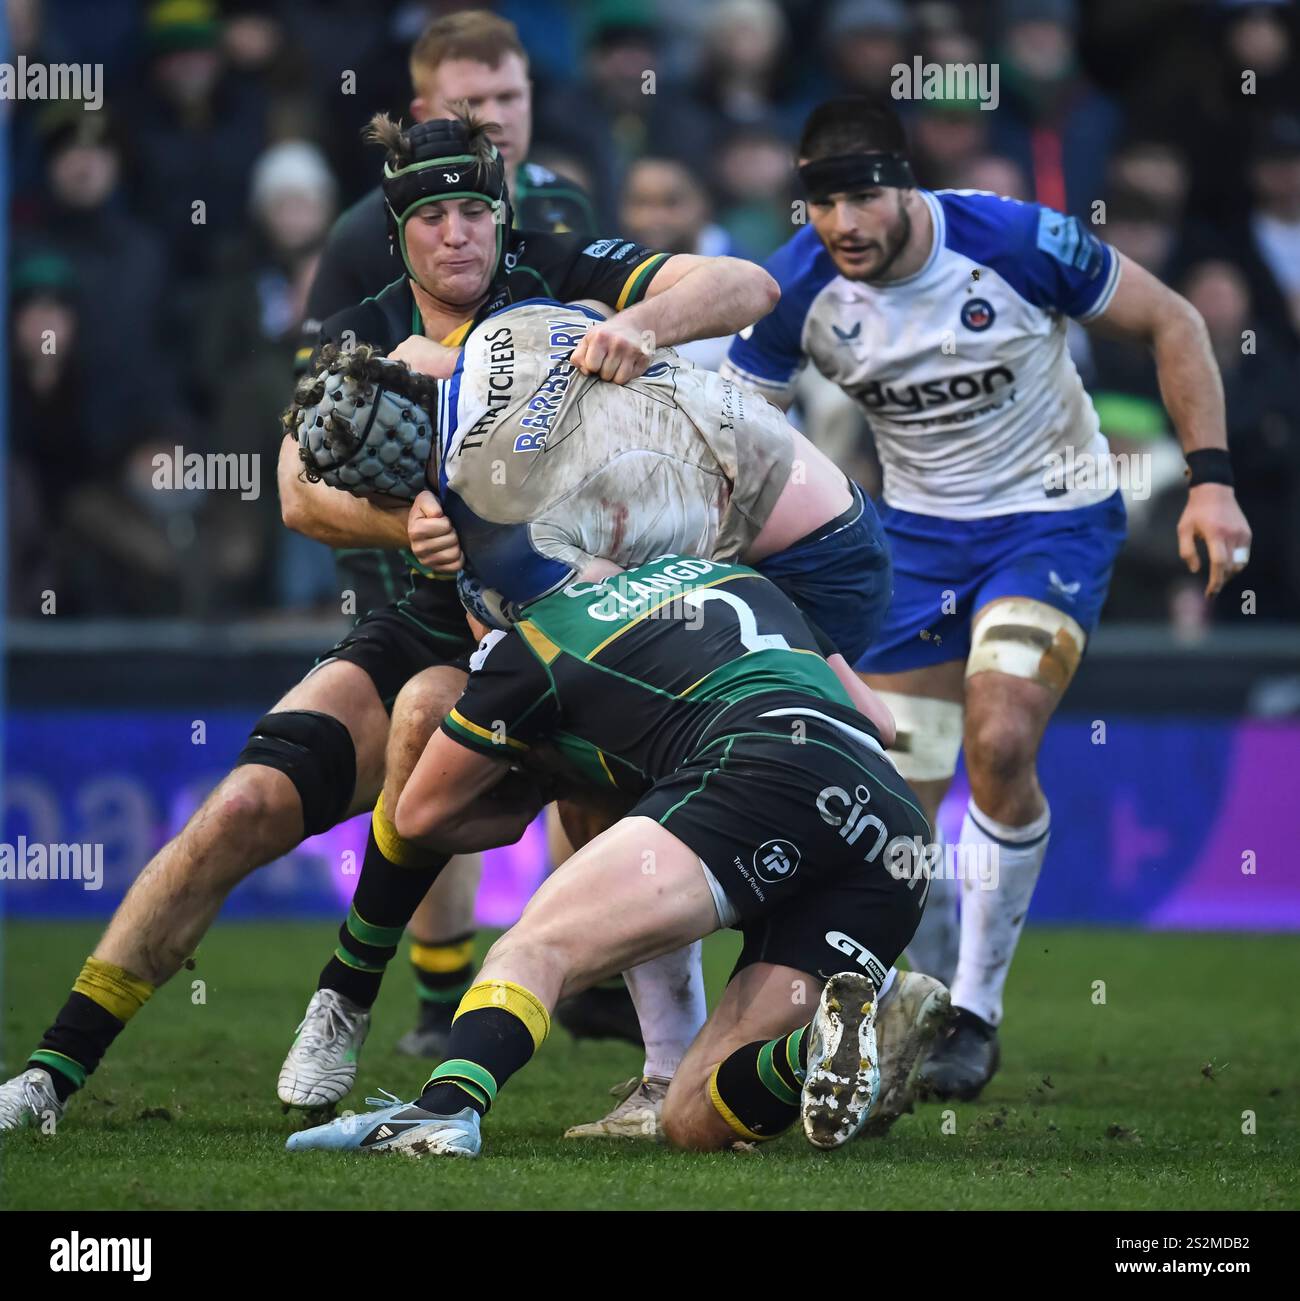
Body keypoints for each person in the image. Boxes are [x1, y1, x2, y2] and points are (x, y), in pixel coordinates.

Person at [0, 113, 771, 1136]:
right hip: (430, 614)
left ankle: (359, 990)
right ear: (400, 228)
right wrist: (407, 520)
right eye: (434, 215)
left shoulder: (554, 267)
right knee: (239, 808)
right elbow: (294, 492)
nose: (458, 234)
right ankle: (51, 1074)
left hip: (578, 625)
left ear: (500, 216)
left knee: (458, 738)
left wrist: (643, 324)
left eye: (473, 212)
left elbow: (749, 287)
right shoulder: (363, 327)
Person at [721, 95, 1252, 1100]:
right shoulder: (792, 287)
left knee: (1000, 739)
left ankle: (973, 1010)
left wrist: (1212, 479)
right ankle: (875, 1021)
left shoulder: (1011, 239)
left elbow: (1171, 320)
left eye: (864, 196)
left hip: (1051, 520)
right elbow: (745, 430)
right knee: (886, 799)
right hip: (912, 544)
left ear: (906, 183)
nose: (843, 224)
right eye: (822, 203)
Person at [284, 555, 940, 1158]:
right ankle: (822, 1044)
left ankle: (443, 1107)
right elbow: (880, 722)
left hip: (762, 767)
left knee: (536, 948)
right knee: (691, 1115)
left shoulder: (530, 642)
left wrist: (539, 787)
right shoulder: (737, 577)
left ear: (480, 612)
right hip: (890, 828)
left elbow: (420, 813)